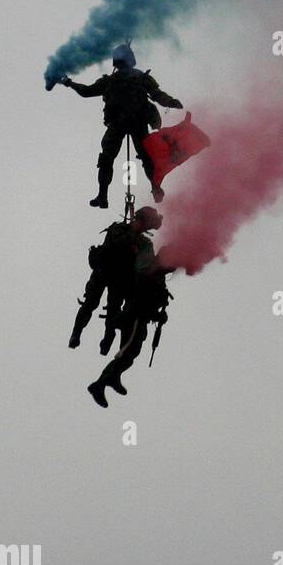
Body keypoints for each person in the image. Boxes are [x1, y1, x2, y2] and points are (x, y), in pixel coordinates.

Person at [56, 44, 183, 208]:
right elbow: (87, 91)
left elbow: (157, 95)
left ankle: (152, 189)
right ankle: (106, 195)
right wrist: (69, 83)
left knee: (142, 158)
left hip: (133, 123)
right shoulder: (116, 80)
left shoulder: (131, 79)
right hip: (124, 124)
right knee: (112, 158)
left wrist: (170, 102)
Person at [88, 235, 174, 407]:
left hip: (137, 317)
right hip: (134, 317)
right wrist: (155, 314)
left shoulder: (155, 275)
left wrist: (158, 315)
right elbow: (143, 299)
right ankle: (100, 383)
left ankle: (112, 378)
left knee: (130, 354)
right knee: (126, 353)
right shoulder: (149, 271)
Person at [68, 207, 163, 353]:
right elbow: (120, 242)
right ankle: (76, 333)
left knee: (113, 312)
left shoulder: (144, 243)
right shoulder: (118, 228)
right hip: (103, 272)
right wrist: (133, 235)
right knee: (90, 304)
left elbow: (146, 266)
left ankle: (107, 341)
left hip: (120, 280)